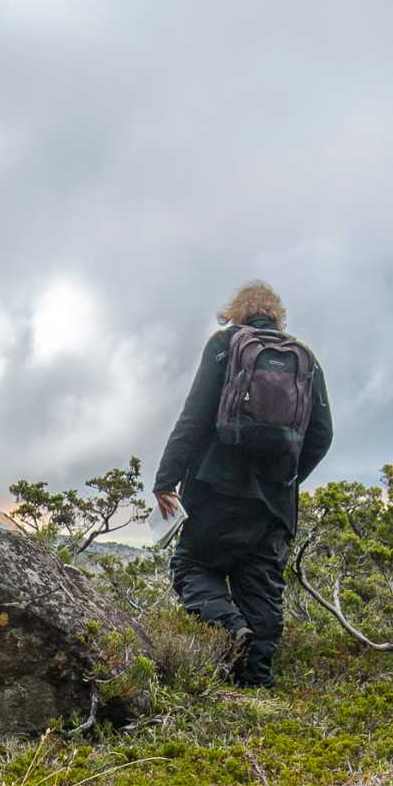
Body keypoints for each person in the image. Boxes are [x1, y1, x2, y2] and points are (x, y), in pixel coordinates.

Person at [151, 280, 334, 687]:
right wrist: (286, 480)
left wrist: (166, 479)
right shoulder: (305, 359)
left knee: (192, 566)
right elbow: (322, 435)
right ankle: (258, 689)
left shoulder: (224, 345)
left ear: (235, 311)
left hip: (215, 490)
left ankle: (231, 628)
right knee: (263, 593)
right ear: (276, 315)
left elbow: (194, 418)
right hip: (273, 505)